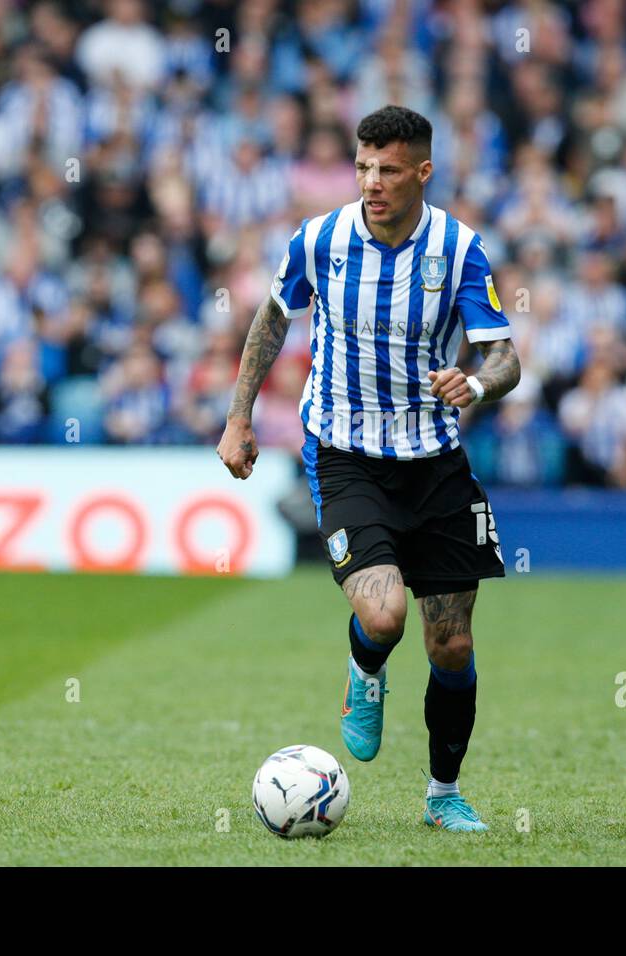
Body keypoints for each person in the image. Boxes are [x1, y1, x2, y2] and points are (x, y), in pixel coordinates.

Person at [216, 105, 521, 832]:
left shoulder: (460, 248)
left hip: (435, 460)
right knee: (382, 614)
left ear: (422, 171)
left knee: (451, 640)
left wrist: (475, 385)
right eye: (362, 167)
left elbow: (504, 355)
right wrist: (238, 418)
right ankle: (365, 671)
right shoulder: (321, 239)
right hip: (346, 453)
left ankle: (443, 795)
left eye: (387, 169)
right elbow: (272, 318)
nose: (372, 182)